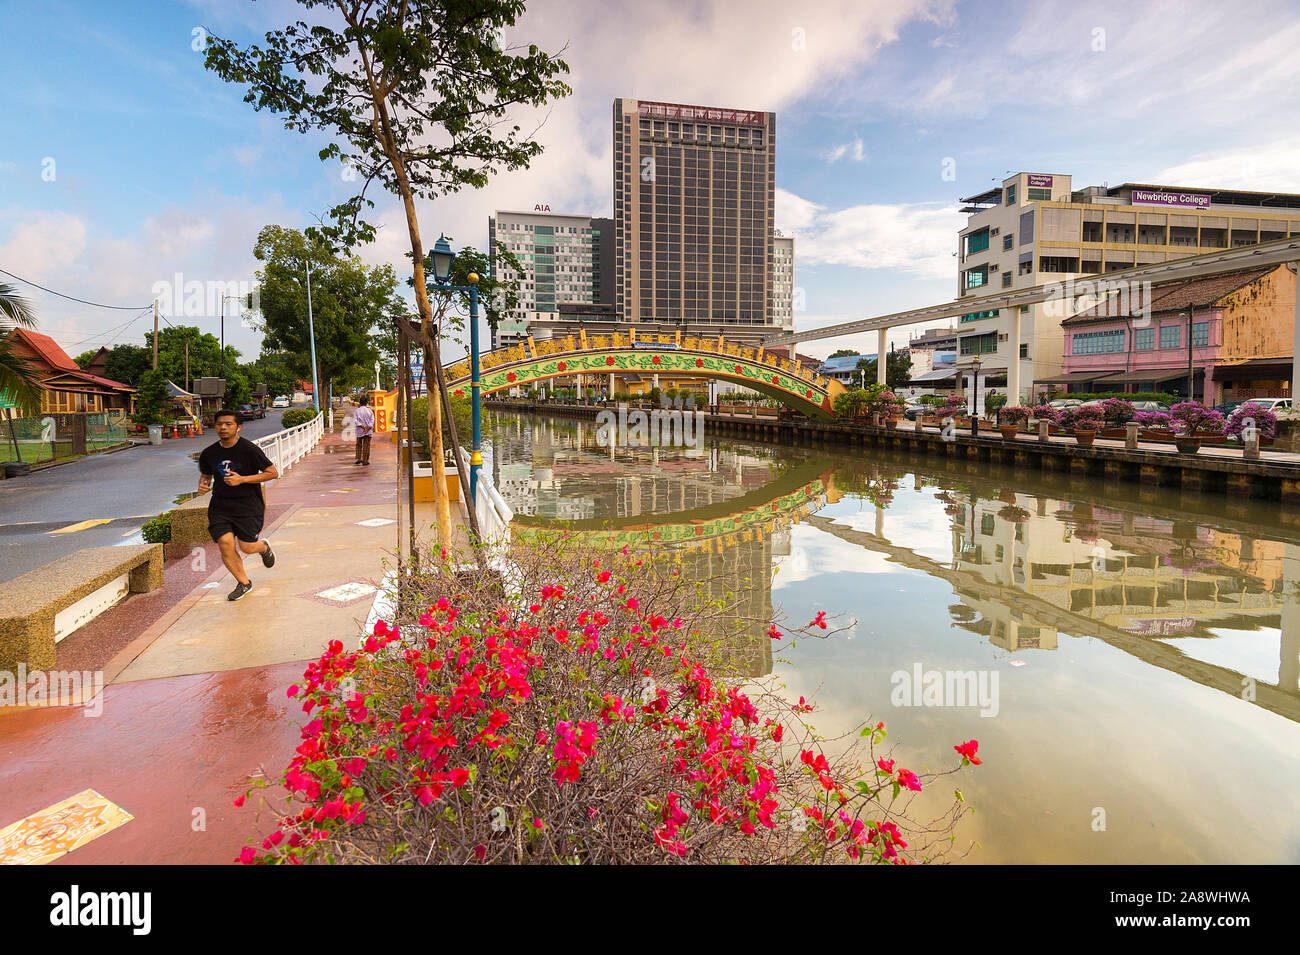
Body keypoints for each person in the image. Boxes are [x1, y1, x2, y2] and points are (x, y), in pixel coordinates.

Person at [197, 408, 278, 601]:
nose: (223, 428)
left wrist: (242, 480)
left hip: (248, 505)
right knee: (225, 543)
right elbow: (206, 474)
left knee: (247, 547)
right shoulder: (209, 453)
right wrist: (203, 485)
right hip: (221, 506)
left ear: (238, 427)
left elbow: (272, 473)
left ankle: (263, 548)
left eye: (228, 424)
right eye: (219, 424)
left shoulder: (249, 450)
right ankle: (243, 582)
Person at [353, 394, 375, 466]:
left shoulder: (357, 411)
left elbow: (356, 421)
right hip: (368, 431)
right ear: (366, 403)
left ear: (360, 403)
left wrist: (362, 427)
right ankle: (365, 460)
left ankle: (359, 458)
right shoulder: (370, 411)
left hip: (359, 430)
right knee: (366, 445)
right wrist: (367, 428)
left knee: (359, 444)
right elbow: (372, 421)